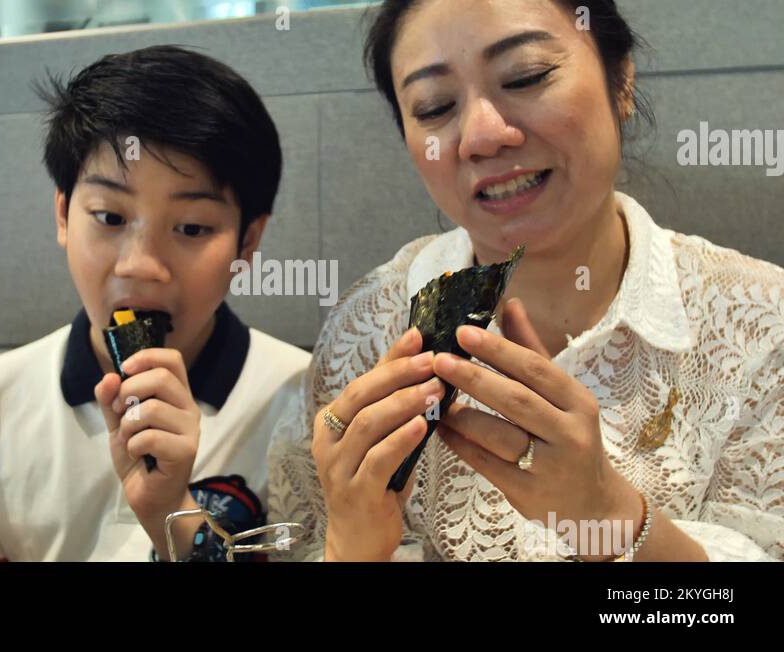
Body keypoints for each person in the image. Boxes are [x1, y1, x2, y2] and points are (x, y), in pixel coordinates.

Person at [268, 0, 784, 561]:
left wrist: (608, 521)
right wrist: (352, 546)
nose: (482, 136)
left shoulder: (760, 326)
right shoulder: (366, 327)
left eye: (527, 76)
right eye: (436, 106)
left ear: (622, 82)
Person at [0, 46, 310, 562]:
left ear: (247, 242)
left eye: (191, 227)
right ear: (63, 215)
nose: (140, 265)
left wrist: (172, 507)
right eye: (109, 217)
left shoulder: (307, 402)